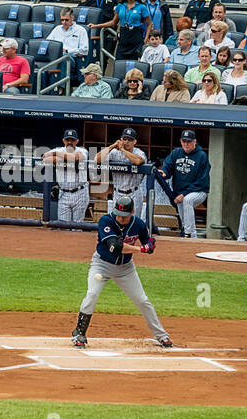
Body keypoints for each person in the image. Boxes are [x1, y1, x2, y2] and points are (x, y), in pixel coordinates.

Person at [71, 196, 172, 349]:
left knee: (143, 300)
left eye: (124, 216)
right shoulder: (106, 221)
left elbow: (149, 240)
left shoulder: (138, 224)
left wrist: (150, 245)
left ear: (132, 212)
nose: (121, 218)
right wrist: (140, 249)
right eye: (118, 214)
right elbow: (115, 246)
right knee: (92, 294)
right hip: (102, 265)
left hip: (125, 269)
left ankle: (162, 336)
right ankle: (79, 333)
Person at [157, 130, 208, 239]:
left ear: (195, 142)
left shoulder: (201, 155)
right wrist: (164, 172)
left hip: (199, 191)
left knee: (187, 200)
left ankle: (189, 233)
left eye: (189, 141)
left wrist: (184, 194)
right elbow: (168, 166)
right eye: (184, 141)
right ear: (181, 141)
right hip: (180, 193)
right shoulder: (176, 153)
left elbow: (201, 181)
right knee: (183, 216)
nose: (186, 144)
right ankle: (189, 236)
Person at [96, 127, 148, 213]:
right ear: (121, 140)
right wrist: (112, 146)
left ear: (135, 142)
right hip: (118, 193)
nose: (127, 142)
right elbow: (97, 159)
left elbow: (138, 161)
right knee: (116, 221)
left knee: (133, 222)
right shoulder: (114, 152)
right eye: (125, 139)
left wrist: (122, 150)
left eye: (130, 140)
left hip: (133, 193)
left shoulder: (139, 152)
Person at [43, 129, 91, 224]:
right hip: (64, 193)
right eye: (67, 140)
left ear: (77, 141)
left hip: (80, 192)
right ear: (63, 140)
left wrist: (57, 156)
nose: (69, 142)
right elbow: (45, 158)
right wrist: (65, 157)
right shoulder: (58, 149)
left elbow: (78, 157)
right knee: (63, 226)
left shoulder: (82, 150)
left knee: (77, 226)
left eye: (72, 140)